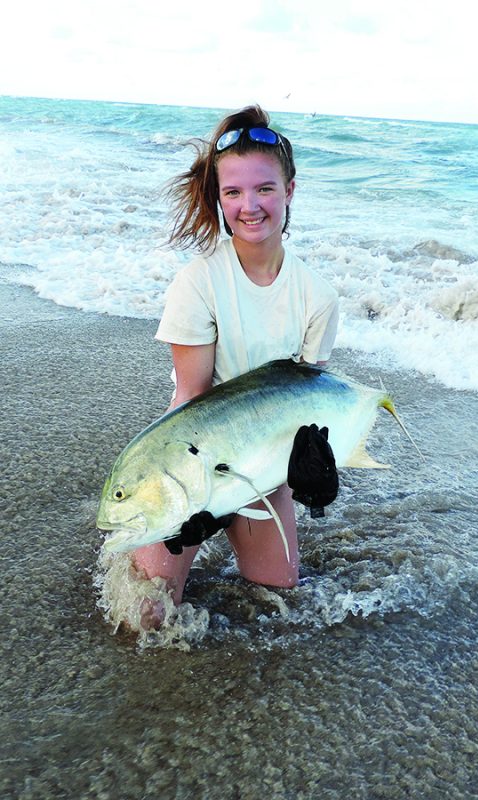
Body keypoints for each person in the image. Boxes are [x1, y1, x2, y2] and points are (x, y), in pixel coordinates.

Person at [132, 104, 339, 624]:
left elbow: (304, 399)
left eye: (265, 188)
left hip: (264, 464)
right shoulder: (197, 283)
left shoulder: (317, 296)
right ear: (219, 199)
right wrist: (194, 499)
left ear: (290, 190)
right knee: (145, 614)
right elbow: (191, 398)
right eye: (234, 192)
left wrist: (314, 464)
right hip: (196, 453)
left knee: (281, 598)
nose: (250, 206)